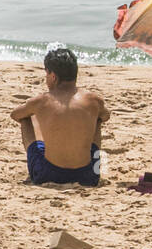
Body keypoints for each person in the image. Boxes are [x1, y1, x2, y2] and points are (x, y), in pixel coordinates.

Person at [10, 48, 109, 186]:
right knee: (97, 119)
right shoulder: (93, 99)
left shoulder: (42, 101)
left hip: (48, 175)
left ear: (53, 76)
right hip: (89, 176)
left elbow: (15, 115)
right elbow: (106, 116)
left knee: (26, 117)